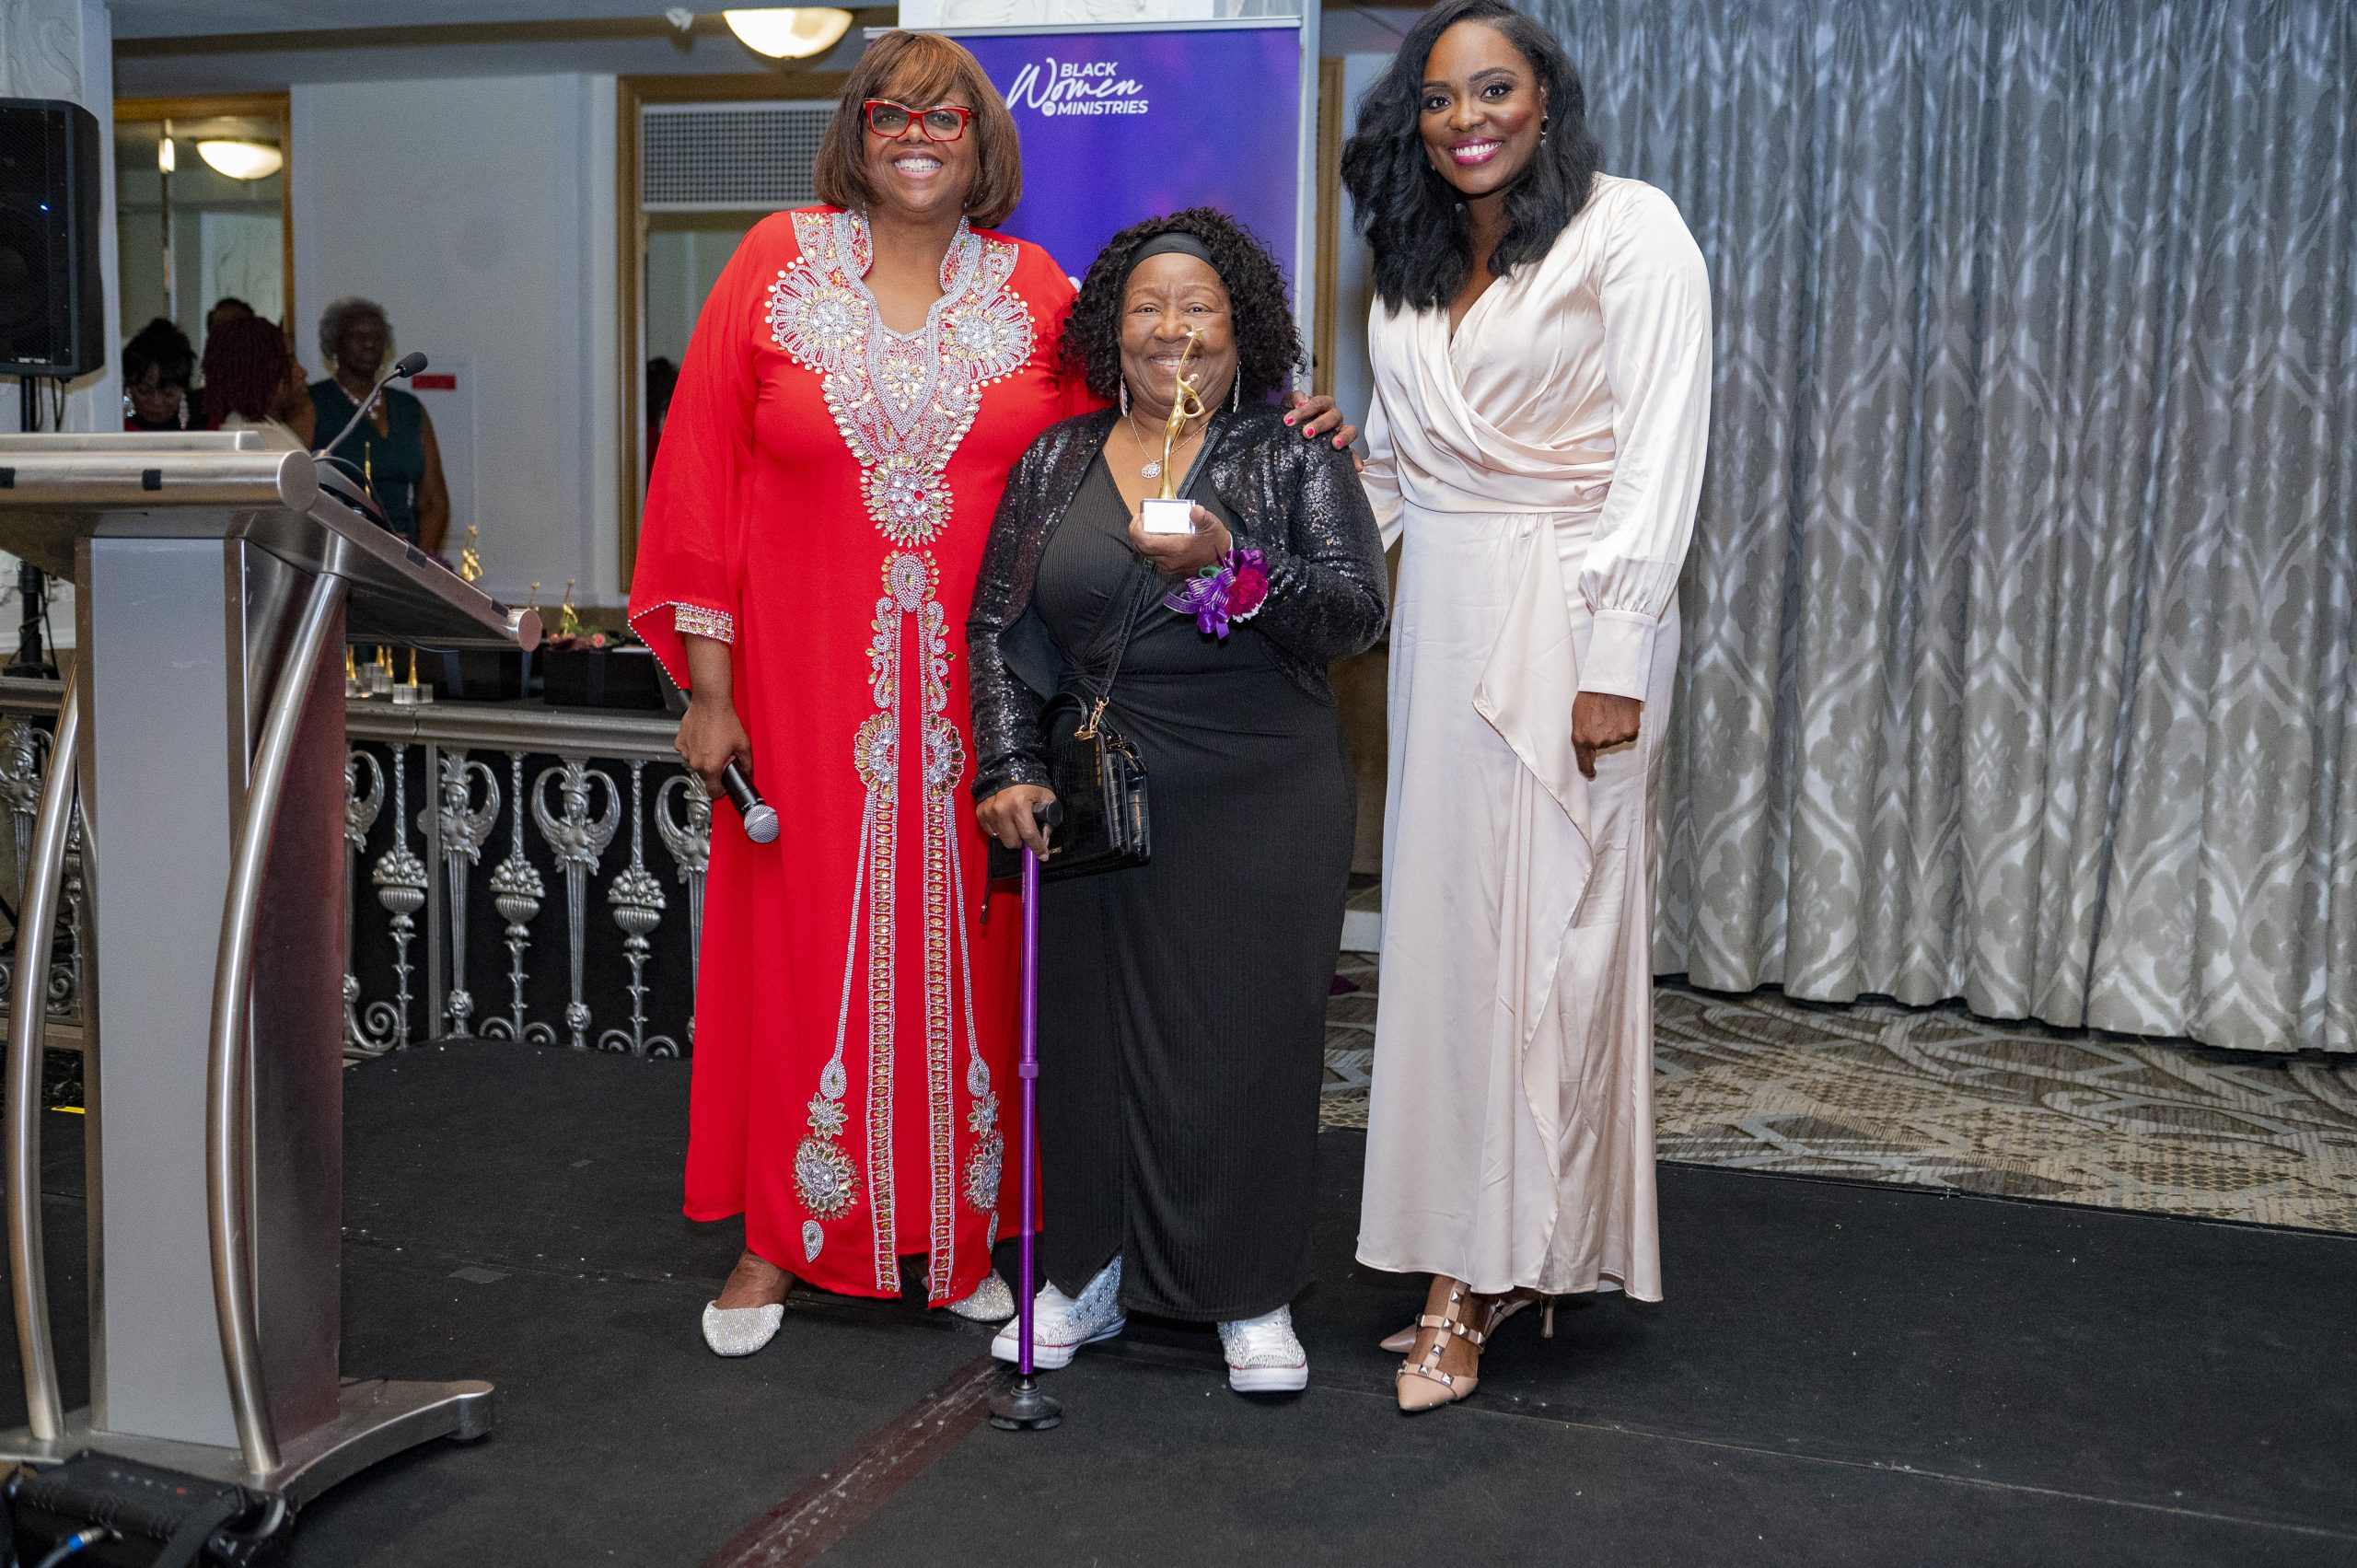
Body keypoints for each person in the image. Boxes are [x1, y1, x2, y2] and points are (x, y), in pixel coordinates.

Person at [627, 29, 1367, 1358]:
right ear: (855, 133)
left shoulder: (1032, 289)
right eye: (890, 111)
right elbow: (696, 483)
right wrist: (710, 687)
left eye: (946, 115)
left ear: (984, 140)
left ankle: (957, 1236)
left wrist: (1294, 420)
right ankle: (778, 1241)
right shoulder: (771, 264)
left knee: (976, 956)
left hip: (988, 688)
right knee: (799, 948)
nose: (918, 132)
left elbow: (1164, 395)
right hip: (806, 688)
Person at [1343, 0, 1713, 1411]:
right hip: (1440, 621)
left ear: (1545, 100)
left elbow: (1662, 456)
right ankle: (1465, 1245)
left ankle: (1482, 1280)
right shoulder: (1418, 256)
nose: (1467, 120)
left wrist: (1615, 654)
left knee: (1544, 949)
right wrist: (1274, 547)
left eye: (1493, 91)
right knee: (1447, 949)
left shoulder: (1634, 230)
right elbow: (1398, 464)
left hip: (1570, 621)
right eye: (1439, 101)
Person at [969, 210, 1387, 1393]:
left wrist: (1230, 565)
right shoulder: (1054, 461)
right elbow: (1000, 632)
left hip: (1262, 790)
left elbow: (1356, 614)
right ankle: (1086, 1278)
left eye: (1196, 305)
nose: (1171, 327)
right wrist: (1008, 767)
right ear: (1112, 329)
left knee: (1249, 1046)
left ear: (1237, 324)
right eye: (1147, 306)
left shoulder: (1293, 453)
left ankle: (1248, 1291)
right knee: (1089, 1047)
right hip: (1097, 795)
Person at [309, 297, 450, 549]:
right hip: (338, 549)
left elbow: (432, 501)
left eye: (377, 336)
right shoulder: (312, 404)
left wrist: (419, 561)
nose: (370, 343)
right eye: (357, 335)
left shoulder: (408, 408)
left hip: (405, 551)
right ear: (334, 344)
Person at [200, 314, 316, 446]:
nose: (302, 372)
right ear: (257, 374)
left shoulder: (242, 426)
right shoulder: (256, 441)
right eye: (288, 363)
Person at [122, 317, 194, 431]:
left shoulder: (205, 428)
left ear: (184, 390)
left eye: (168, 393)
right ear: (128, 386)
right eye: (143, 391)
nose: (156, 402)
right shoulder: (111, 425)